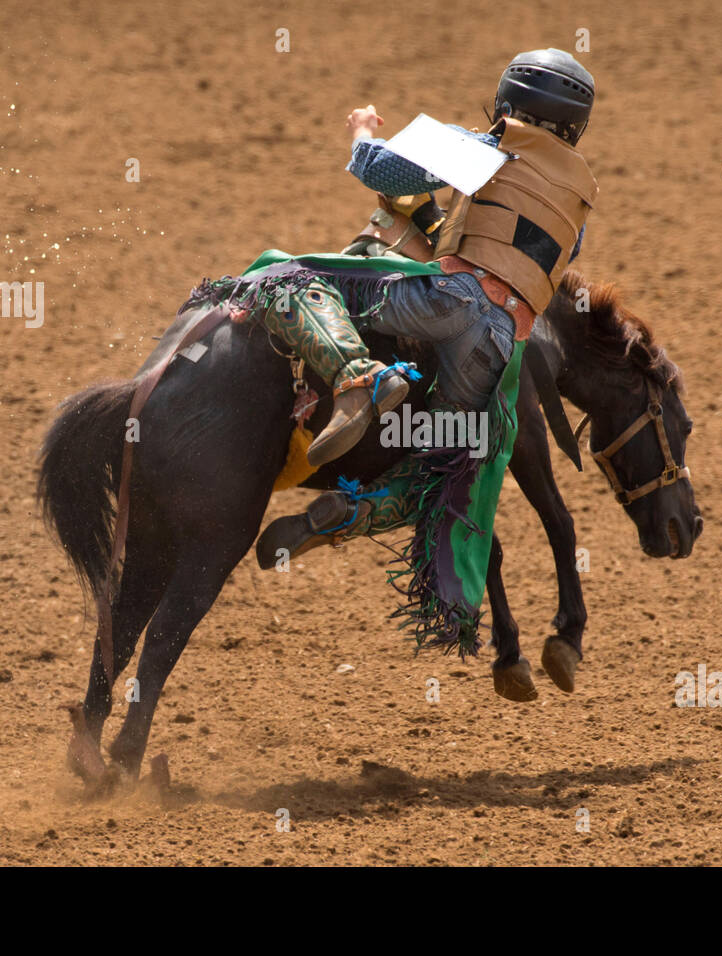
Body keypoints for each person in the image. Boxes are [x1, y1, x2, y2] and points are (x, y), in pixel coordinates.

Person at [254, 48, 598, 653]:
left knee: (281, 280)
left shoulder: (492, 143)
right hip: (495, 346)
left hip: (444, 299)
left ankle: (357, 374)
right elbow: (508, 240)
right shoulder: (579, 199)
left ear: (511, 102)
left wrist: (362, 127)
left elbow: (376, 171)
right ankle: (351, 514)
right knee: (440, 469)